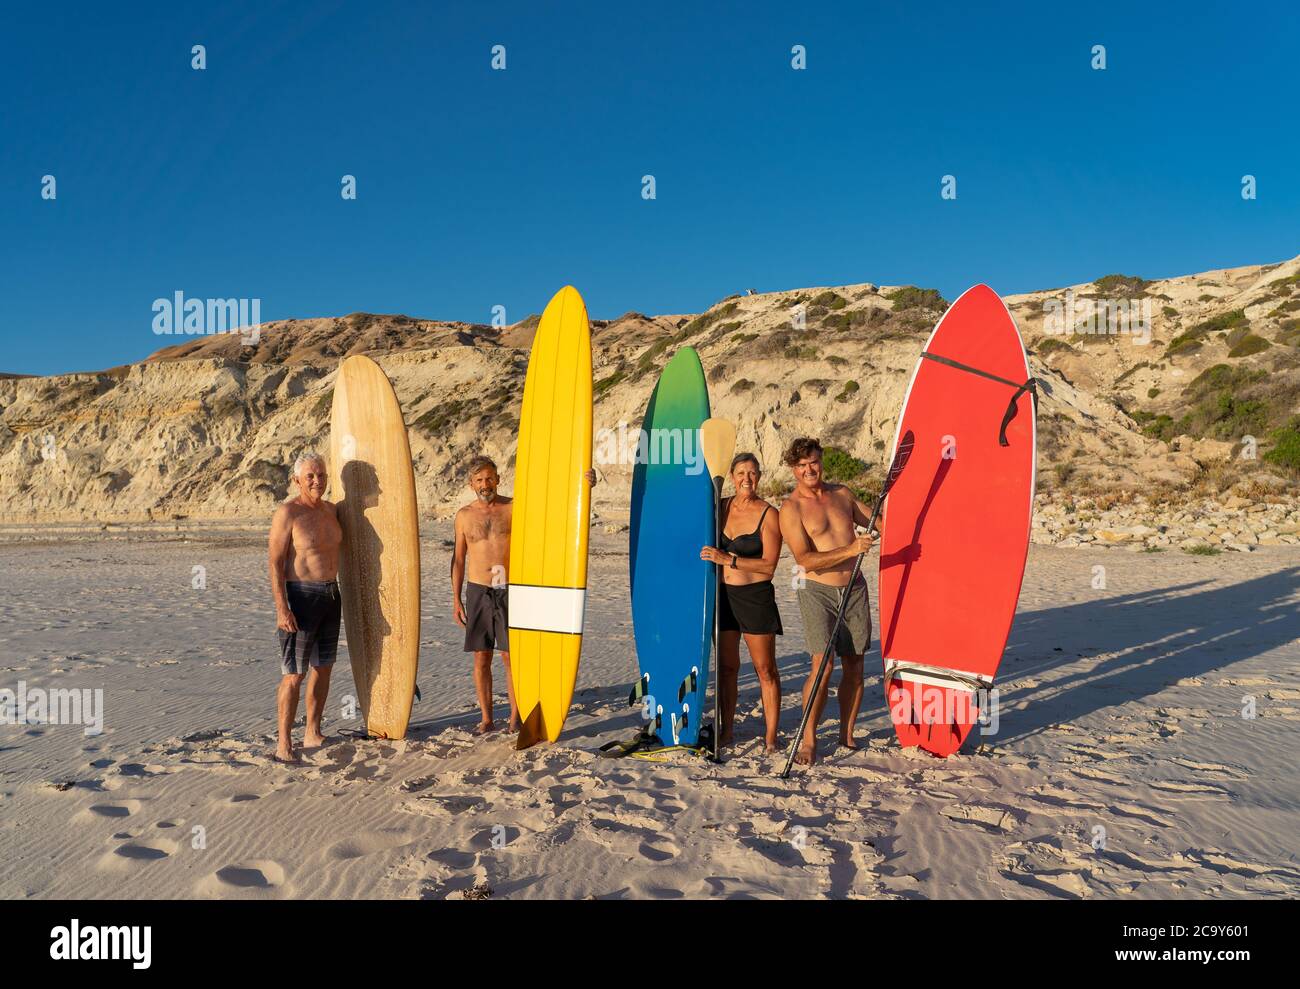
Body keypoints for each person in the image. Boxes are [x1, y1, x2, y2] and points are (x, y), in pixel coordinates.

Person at [451, 455, 597, 735]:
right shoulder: (464, 516)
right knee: (481, 658)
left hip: (510, 588)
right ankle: (486, 719)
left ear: (498, 479)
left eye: (490, 478)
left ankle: (515, 718)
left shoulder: (514, 508)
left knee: (511, 657)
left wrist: (583, 485)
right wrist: (456, 598)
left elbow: (554, 508)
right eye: (479, 480)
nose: (485, 484)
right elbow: (458, 559)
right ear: (471, 484)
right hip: (478, 590)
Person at [777, 437, 875, 765]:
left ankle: (846, 735)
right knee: (822, 666)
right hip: (817, 592)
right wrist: (851, 549)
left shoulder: (842, 494)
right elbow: (803, 560)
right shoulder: (791, 509)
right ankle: (808, 741)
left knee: (855, 665)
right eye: (802, 465)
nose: (809, 470)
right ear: (793, 470)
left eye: (814, 462)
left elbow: (880, 521)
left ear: (821, 461)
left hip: (854, 589)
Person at [699, 453, 783, 752]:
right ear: (731, 477)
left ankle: (771, 737)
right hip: (723, 599)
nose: (747, 478)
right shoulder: (719, 507)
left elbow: (769, 566)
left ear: (760, 476)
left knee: (765, 669)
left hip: (754, 598)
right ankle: (726, 730)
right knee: (727, 669)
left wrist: (728, 559)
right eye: (740, 473)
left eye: (752, 472)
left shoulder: (769, 514)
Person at [268, 451, 342, 763]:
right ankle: (284, 742)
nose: (317, 480)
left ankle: (312, 731)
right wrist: (282, 608)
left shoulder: (333, 511)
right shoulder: (288, 513)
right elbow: (274, 562)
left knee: (323, 668)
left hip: (331, 594)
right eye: (310, 476)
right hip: (300, 596)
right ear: (297, 480)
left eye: (321, 474)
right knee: (293, 675)